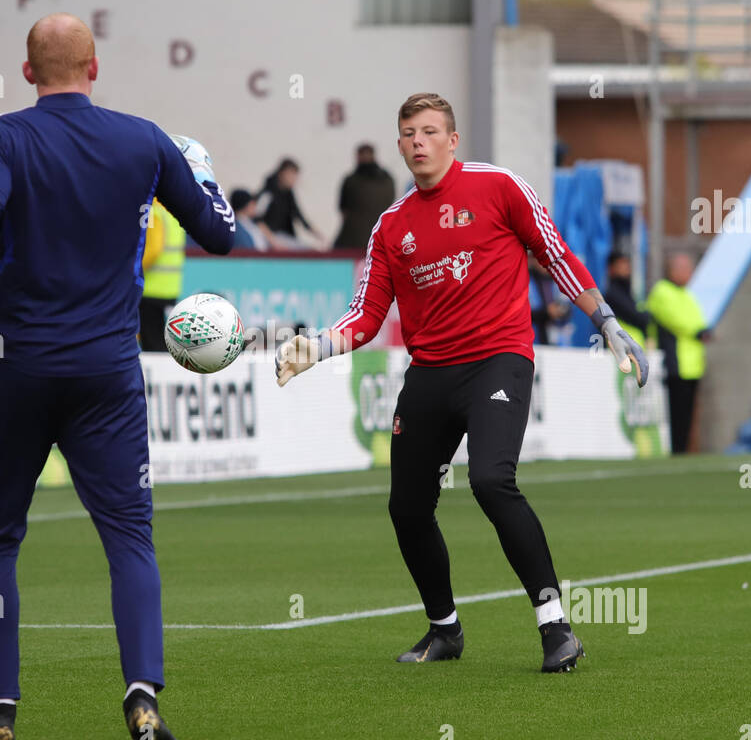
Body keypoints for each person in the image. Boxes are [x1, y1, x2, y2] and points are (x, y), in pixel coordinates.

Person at [0, 13, 236, 740]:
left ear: (27, 72)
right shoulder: (145, 139)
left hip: (19, 368)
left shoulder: (3, 137)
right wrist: (205, 176)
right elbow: (220, 235)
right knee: (129, 540)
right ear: (95, 65)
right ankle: (142, 697)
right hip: (106, 374)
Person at [274, 92, 647, 673]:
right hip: (429, 373)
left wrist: (606, 321)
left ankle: (556, 629)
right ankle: (444, 630)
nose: (417, 142)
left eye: (428, 131)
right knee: (407, 508)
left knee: (492, 480)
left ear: (453, 140)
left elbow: (556, 253)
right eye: (407, 134)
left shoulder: (499, 187)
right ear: (399, 145)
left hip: (498, 360)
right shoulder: (390, 226)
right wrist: (317, 347)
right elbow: (366, 315)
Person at [646, 252, 709, 454]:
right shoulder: (662, 291)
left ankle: (682, 450)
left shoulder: (687, 294)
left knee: (687, 412)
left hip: (692, 364)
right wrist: (698, 331)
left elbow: (698, 319)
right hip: (675, 362)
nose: (688, 273)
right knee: (675, 411)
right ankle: (674, 450)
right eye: (684, 268)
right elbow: (675, 320)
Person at [138, 199, 185, 351]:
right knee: (164, 345)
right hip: (169, 289)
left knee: (152, 347)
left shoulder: (151, 211)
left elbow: (153, 249)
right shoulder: (171, 212)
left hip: (151, 290)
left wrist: (131, 269)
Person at [334, 143, 396, 250]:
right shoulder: (387, 179)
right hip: (382, 238)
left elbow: (343, 209)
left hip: (354, 241)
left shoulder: (351, 180)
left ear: (358, 157)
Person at [257, 157, 322, 245]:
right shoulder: (268, 193)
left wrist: (316, 234)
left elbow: (298, 215)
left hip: (285, 236)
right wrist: (273, 241)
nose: (295, 180)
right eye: (292, 175)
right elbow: (257, 218)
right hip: (271, 237)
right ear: (282, 173)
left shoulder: (288, 193)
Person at [602, 249, 651, 345]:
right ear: (611, 268)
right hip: (620, 349)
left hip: (632, 348)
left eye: (627, 263)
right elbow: (638, 317)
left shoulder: (626, 291)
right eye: (621, 263)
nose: (626, 267)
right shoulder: (613, 294)